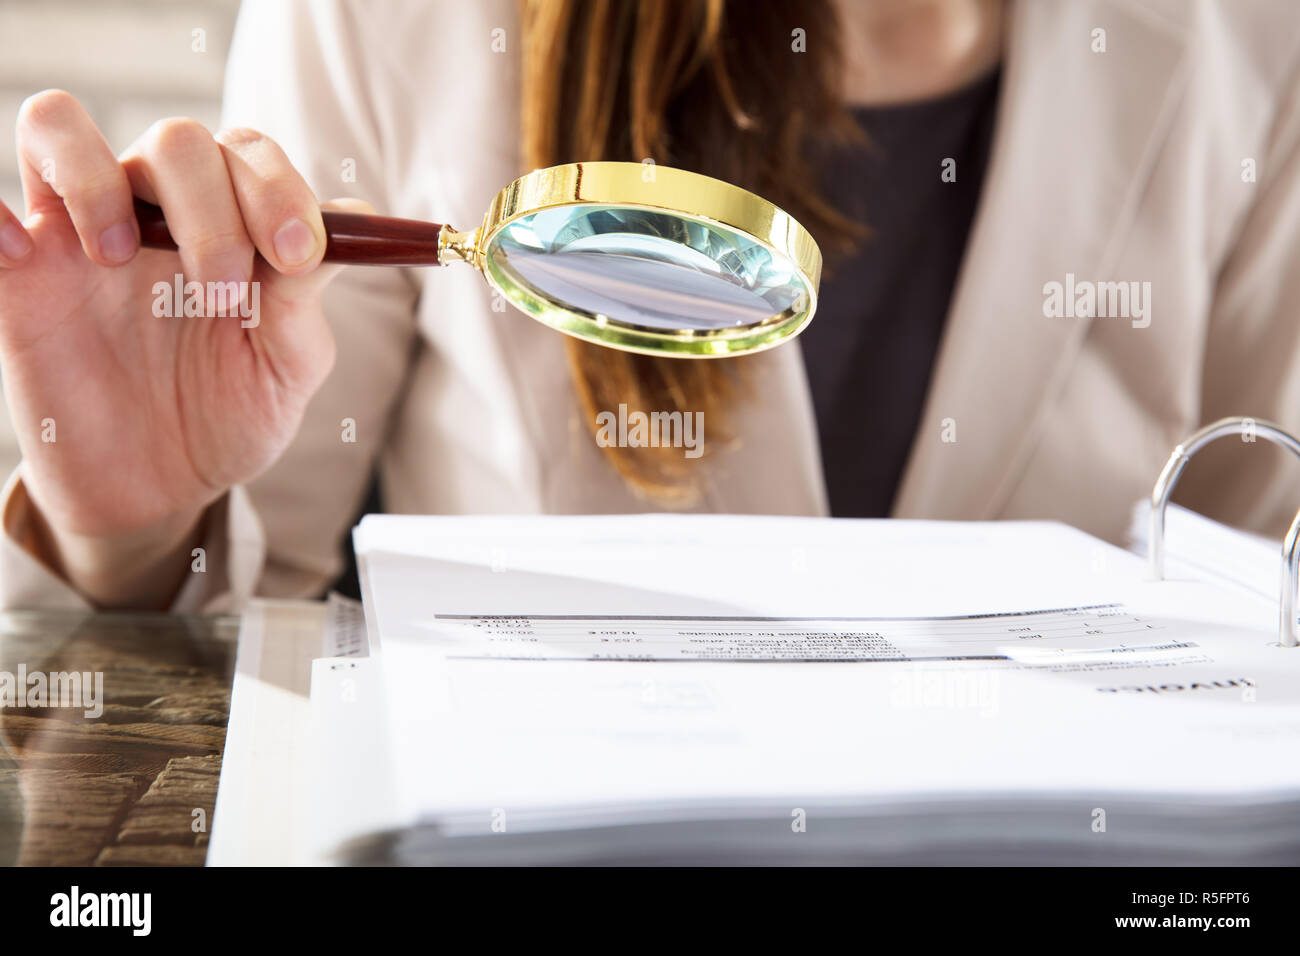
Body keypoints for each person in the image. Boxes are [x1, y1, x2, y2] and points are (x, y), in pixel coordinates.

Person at [0, 0, 1298, 613]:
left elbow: (1258, 622)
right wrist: (124, 525)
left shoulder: (1260, 56)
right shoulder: (387, 21)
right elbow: (227, 634)